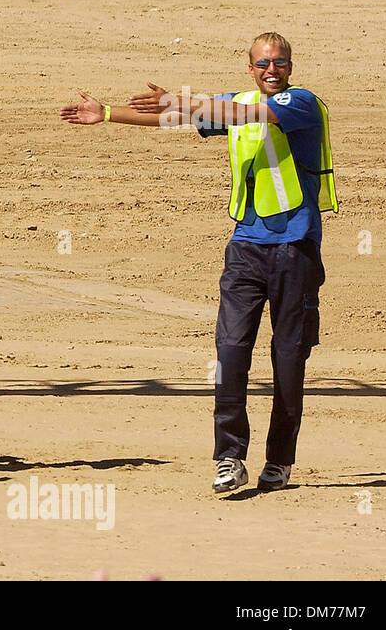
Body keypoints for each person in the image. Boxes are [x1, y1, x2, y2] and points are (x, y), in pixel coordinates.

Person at [59, 32, 337, 494]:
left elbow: (245, 115)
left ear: (291, 67)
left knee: (288, 358)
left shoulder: (301, 103)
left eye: (280, 62)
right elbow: (174, 117)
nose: (272, 69)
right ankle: (229, 457)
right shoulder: (237, 100)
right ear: (250, 68)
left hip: (296, 249)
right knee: (230, 351)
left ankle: (280, 460)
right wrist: (108, 114)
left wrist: (185, 100)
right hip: (245, 247)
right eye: (263, 63)